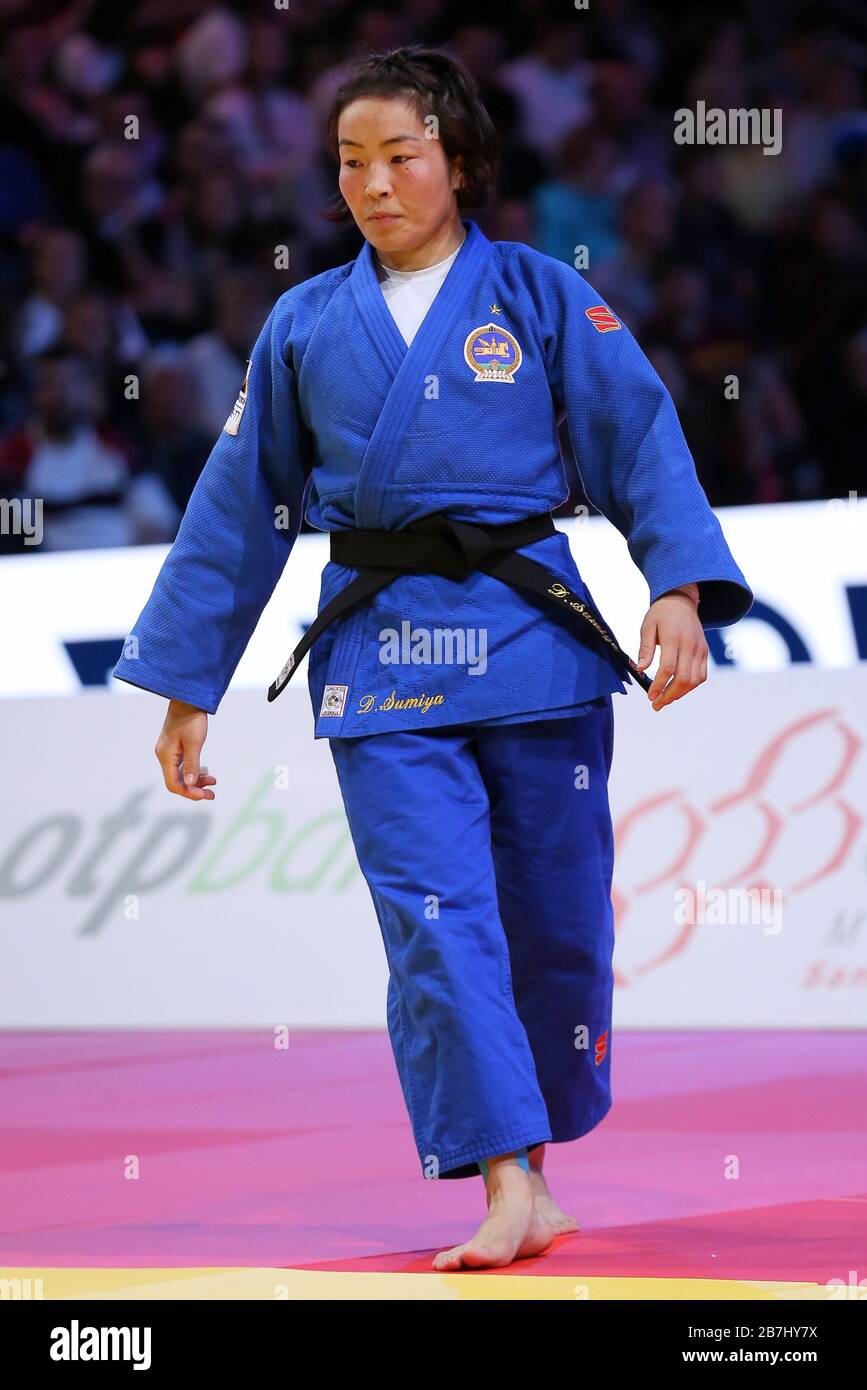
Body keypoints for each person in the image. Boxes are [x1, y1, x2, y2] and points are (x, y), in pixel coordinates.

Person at [113, 46, 752, 1271]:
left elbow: (640, 436)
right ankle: (505, 1180)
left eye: (401, 155)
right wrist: (189, 681)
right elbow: (238, 507)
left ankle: (540, 1163)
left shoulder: (539, 292)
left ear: (458, 162)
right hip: (381, 654)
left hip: (534, 642)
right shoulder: (304, 322)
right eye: (351, 162)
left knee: (556, 928)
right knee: (435, 920)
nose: (374, 183)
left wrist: (677, 585)